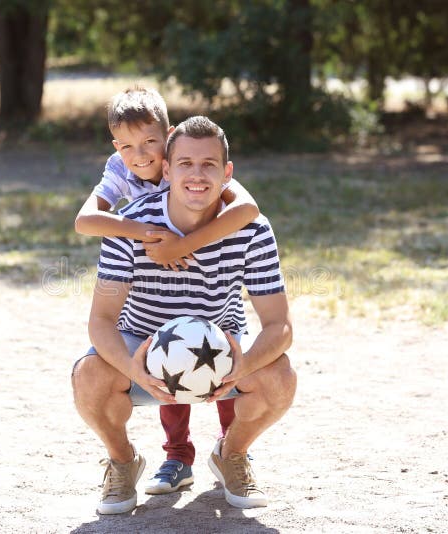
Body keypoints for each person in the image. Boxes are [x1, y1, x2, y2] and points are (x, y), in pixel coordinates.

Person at [72, 116, 296, 514]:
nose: (197, 175)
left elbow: (279, 326)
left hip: (221, 343)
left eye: (209, 164)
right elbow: (101, 321)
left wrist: (244, 366)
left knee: (279, 377)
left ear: (227, 173)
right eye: (186, 164)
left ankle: (232, 453)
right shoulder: (130, 227)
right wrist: (134, 368)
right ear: (168, 168)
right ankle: (123, 461)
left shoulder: (252, 230)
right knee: (88, 376)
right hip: (140, 340)